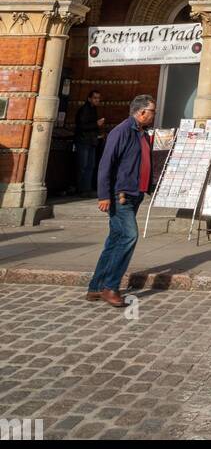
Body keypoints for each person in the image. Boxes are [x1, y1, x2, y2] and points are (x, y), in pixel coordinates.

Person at [86, 94, 155, 308]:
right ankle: (110, 287)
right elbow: (106, 164)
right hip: (120, 194)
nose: (154, 115)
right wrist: (104, 195)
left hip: (135, 193)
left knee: (115, 239)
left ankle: (96, 287)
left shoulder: (142, 133)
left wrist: (148, 188)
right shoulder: (122, 131)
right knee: (129, 236)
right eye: (152, 111)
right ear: (142, 112)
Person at [74, 90, 104, 195]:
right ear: (89, 99)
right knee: (83, 165)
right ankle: (81, 189)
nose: (97, 100)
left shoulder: (93, 110)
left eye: (98, 98)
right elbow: (81, 126)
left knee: (90, 165)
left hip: (91, 141)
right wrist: (96, 124)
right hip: (83, 141)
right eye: (95, 98)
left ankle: (87, 188)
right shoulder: (84, 110)